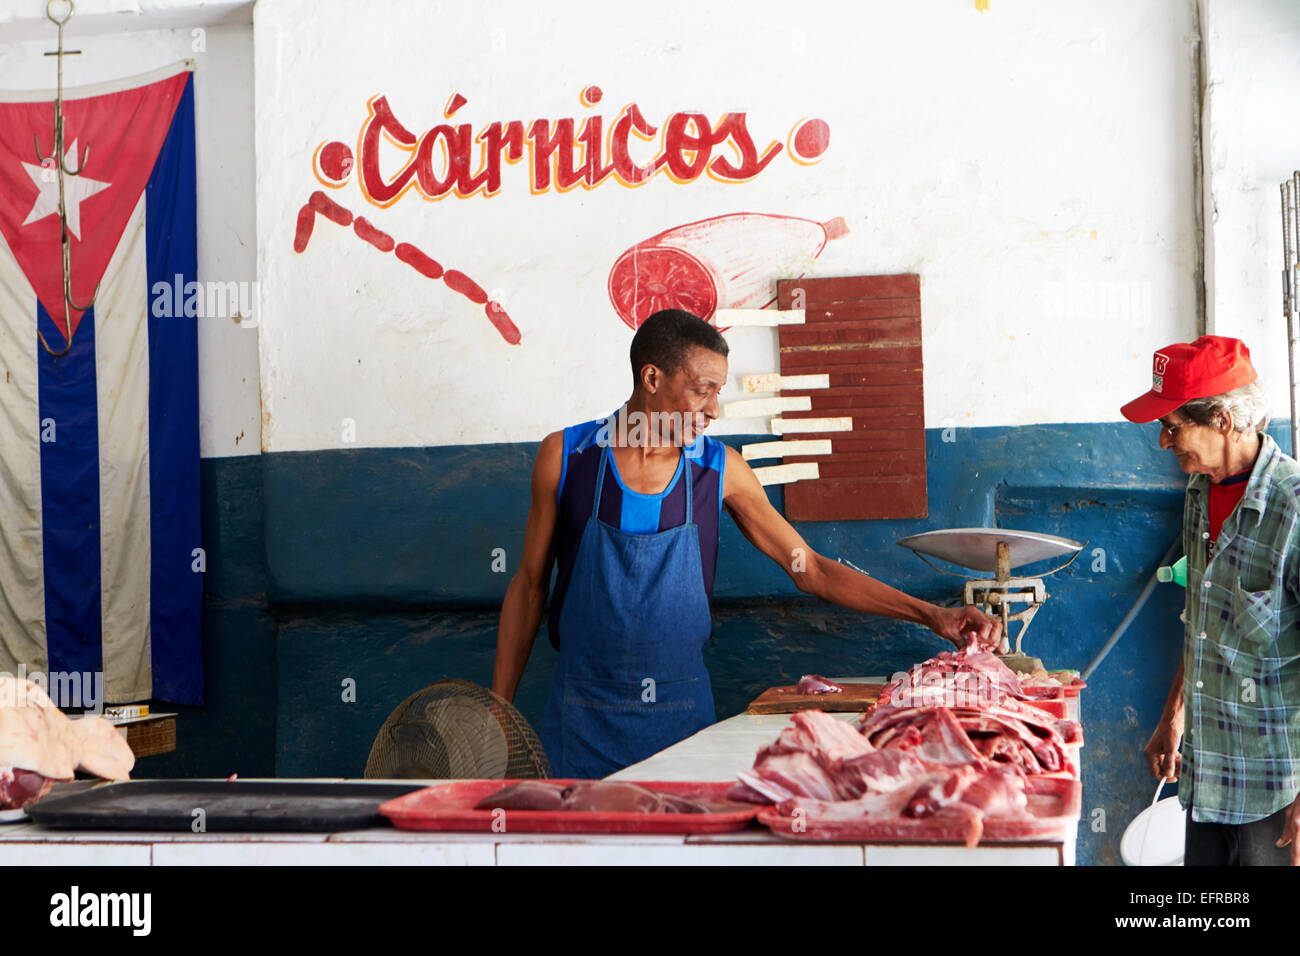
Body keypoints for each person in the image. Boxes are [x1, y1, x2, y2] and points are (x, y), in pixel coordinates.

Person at [491, 308, 1001, 778]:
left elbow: (812, 570)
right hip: (577, 723)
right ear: (652, 379)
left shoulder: (719, 471)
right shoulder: (566, 457)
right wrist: (498, 712)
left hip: (680, 726)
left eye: (719, 392)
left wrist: (934, 615)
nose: (714, 409)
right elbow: (530, 588)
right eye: (702, 390)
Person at [1121, 334, 1300, 865]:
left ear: (1223, 419)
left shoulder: (1292, 507)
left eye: (1172, 427)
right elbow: (1202, 623)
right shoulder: (1199, 496)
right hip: (1207, 778)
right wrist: (1171, 717)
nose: (1163, 442)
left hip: (1273, 786)